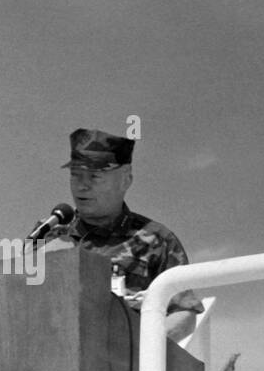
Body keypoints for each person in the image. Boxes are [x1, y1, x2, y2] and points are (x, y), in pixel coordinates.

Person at [46, 127, 203, 343]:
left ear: (125, 180)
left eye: (94, 176)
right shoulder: (50, 238)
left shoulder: (157, 240)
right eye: (76, 175)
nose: (82, 185)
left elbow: (184, 314)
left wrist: (140, 353)